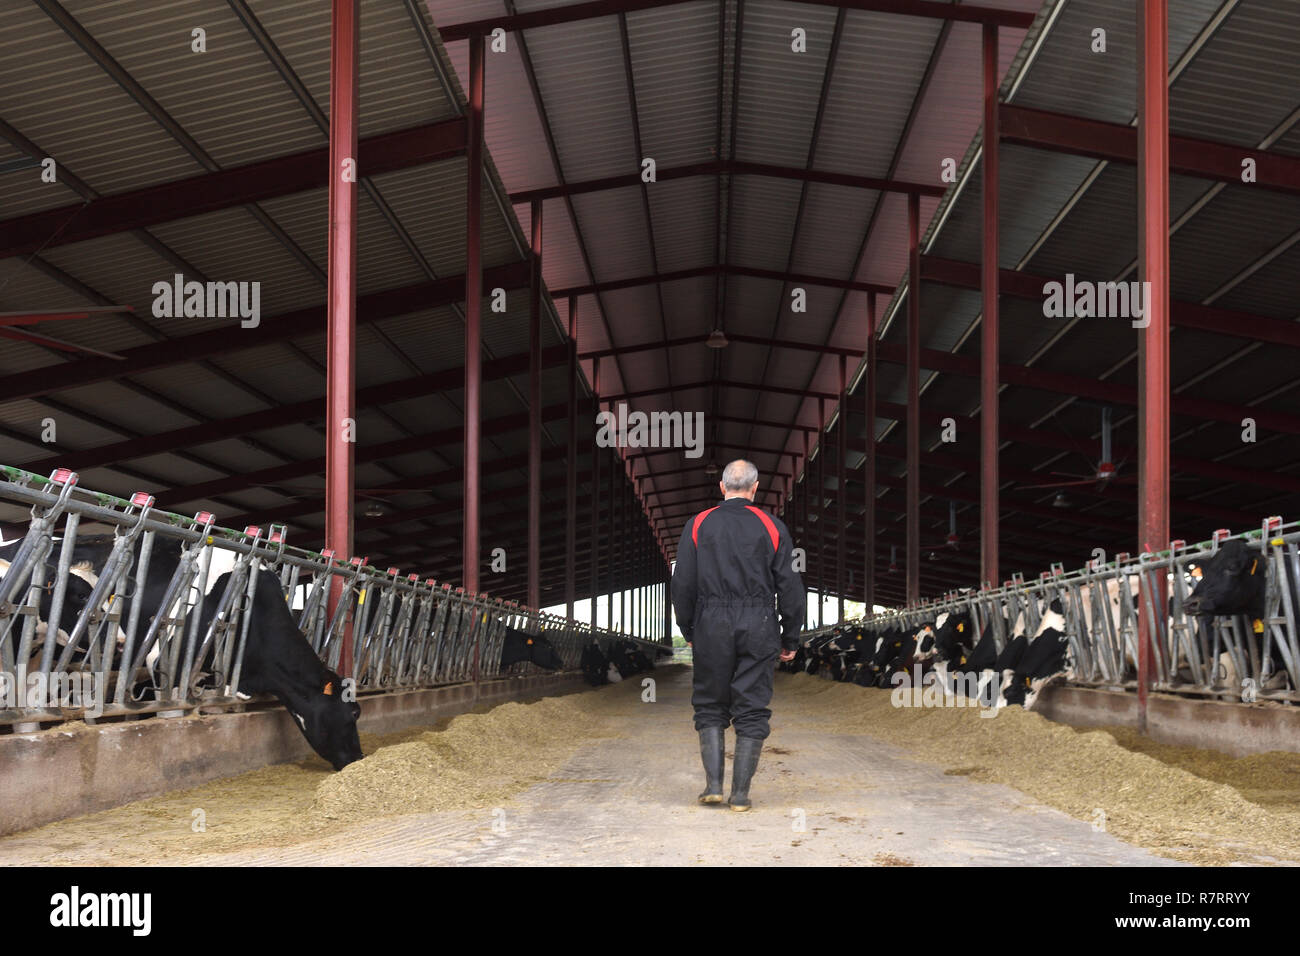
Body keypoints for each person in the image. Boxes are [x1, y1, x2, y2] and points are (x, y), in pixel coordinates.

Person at [671, 459, 804, 811]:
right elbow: (790, 586)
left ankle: (713, 786)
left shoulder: (697, 524)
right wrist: (790, 637)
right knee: (753, 705)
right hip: (759, 621)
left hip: (711, 622)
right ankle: (741, 795)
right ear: (755, 487)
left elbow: (682, 582)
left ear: (722, 487)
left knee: (710, 702)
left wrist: (690, 629)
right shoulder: (772, 526)